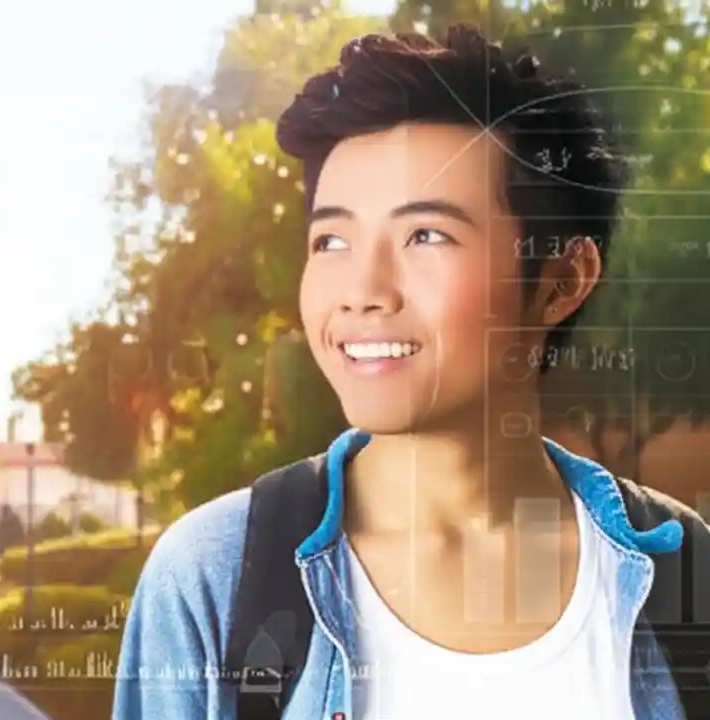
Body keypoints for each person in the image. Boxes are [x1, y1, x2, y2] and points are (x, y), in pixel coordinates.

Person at [112, 22, 708, 720]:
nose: (362, 289)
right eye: (331, 239)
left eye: (425, 235)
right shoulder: (215, 578)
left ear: (561, 278)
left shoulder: (683, 576)